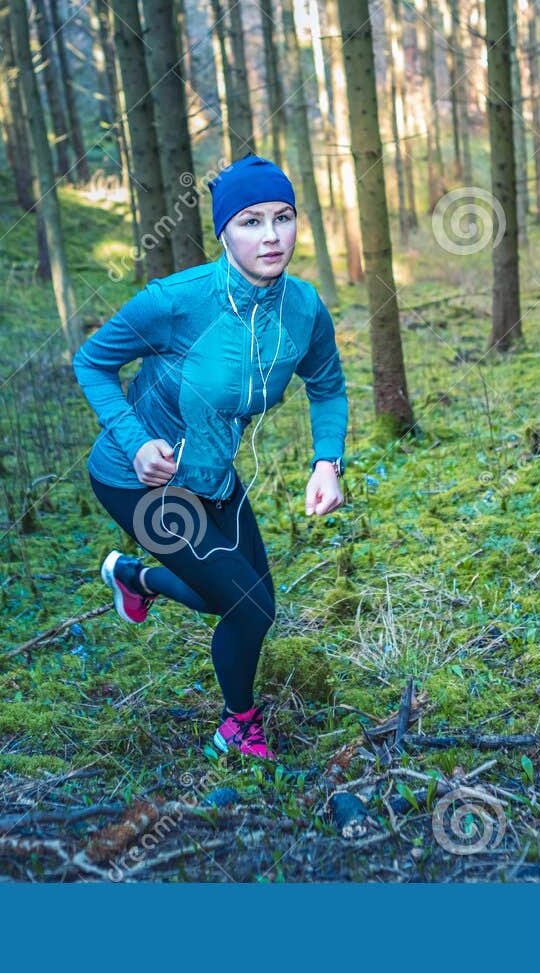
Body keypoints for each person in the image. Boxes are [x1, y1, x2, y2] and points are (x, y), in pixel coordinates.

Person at [72, 154, 348, 760]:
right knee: (244, 606)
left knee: (255, 603)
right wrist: (134, 441)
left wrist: (327, 460)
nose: (271, 237)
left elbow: (327, 384)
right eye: (250, 222)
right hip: (138, 479)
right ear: (223, 231)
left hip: (214, 476)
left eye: (283, 218)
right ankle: (237, 726)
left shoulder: (302, 310)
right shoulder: (175, 301)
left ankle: (131, 576)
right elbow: (91, 361)